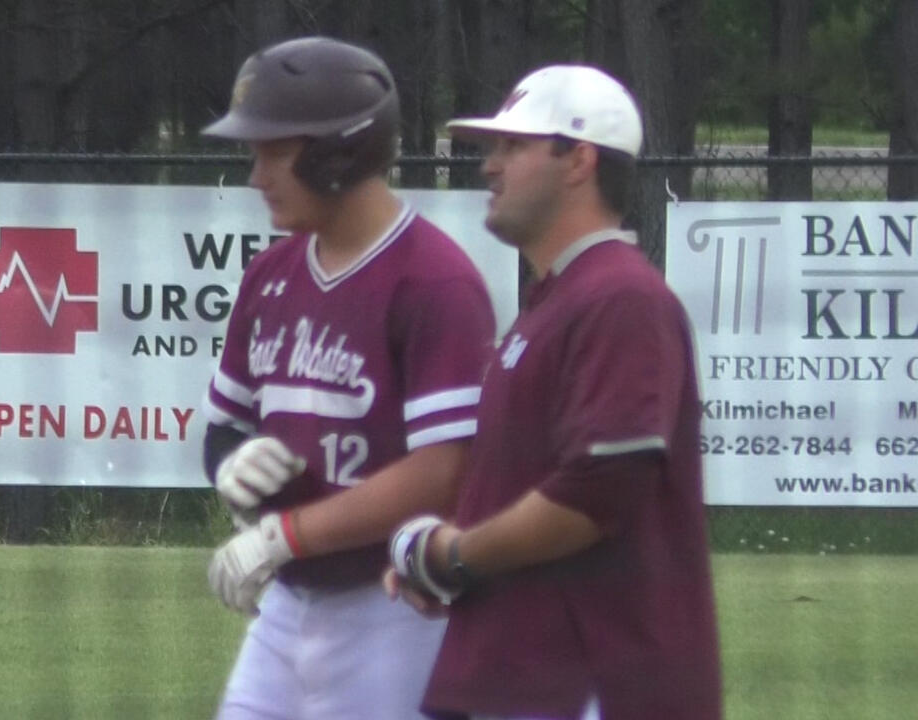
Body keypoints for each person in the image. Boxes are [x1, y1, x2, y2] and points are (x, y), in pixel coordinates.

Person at [385, 65, 724, 720]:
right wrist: (443, 553)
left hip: (590, 684)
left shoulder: (620, 296)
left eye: (514, 147)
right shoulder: (557, 301)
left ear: (580, 161)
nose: (490, 167)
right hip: (527, 675)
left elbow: (596, 493)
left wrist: (452, 554)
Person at [200, 36, 496, 720]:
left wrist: (283, 535)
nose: (256, 174)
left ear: (340, 152)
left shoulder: (434, 280)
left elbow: (444, 472)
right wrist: (231, 467)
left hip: (395, 613)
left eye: (274, 151)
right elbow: (224, 428)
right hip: (286, 609)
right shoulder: (269, 275)